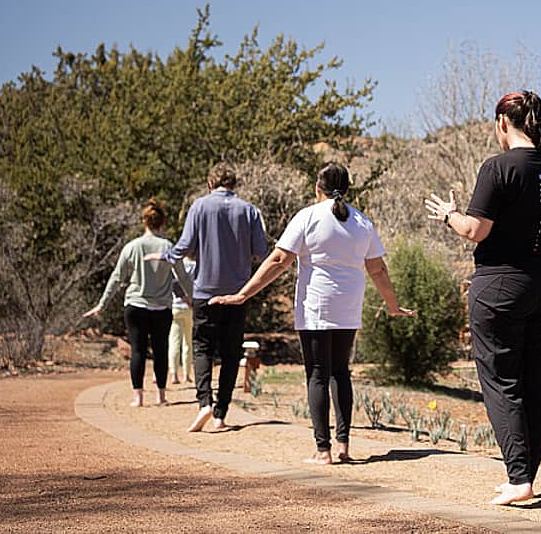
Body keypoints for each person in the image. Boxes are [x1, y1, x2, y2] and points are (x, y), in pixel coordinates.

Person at [211, 163, 414, 464]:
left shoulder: (307, 217)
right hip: (349, 305)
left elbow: (280, 260)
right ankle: (343, 446)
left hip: (317, 305)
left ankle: (324, 451)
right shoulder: (362, 222)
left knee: (317, 374)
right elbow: (378, 269)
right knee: (340, 372)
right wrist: (393, 305)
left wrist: (244, 294)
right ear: (348, 189)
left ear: (317, 188)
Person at [425, 90, 541, 506]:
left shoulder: (497, 168)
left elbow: (476, 230)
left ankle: (519, 477)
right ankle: (528, 473)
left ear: (503, 122)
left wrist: (448, 216)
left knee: (502, 381)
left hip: (499, 288)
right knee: (539, 383)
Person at [148, 163, 268, 433]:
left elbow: (185, 245)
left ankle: (204, 401)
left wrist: (166, 256)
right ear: (234, 184)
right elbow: (262, 252)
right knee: (230, 353)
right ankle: (220, 415)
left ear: (210, 183)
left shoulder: (199, 206)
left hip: (204, 291)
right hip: (238, 293)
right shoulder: (249, 210)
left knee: (202, 347)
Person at [85, 199, 192, 407]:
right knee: (161, 350)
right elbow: (183, 278)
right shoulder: (169, 247)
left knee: (138, 351)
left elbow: (117, 277)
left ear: (144, 222)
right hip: (161, 307)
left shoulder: (132, 247)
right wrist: (196, 300)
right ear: (162, 223)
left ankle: (138, 397)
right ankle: (161, 396)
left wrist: (102, 304)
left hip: (135, 305)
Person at [168, 258, 197, 384]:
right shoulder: (196, 266)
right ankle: (186, 374)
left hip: (176, 307)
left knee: (174, 342)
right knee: (188, 343)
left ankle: (174, 374)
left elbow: (174, 284)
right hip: (190, 308)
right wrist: (190, 301)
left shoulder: (176, 266)